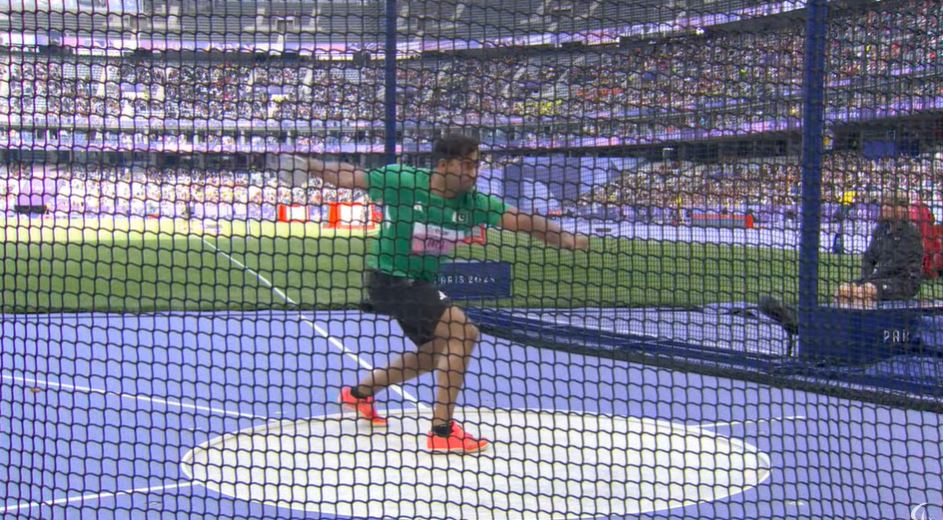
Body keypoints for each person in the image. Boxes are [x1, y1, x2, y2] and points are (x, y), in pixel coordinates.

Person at [271, 134, 589, 453]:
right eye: (466, 165)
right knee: (464, 333)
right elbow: (351, 176)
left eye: (476, 165)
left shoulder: (474, 204)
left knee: (435, 354)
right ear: (443, 165)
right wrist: (310, 166)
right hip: (390, 278)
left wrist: (568, 241)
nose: (473, 173)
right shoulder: (403, 181)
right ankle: (441, 431)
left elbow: (523, 222)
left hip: (420, 284)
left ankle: (358, 394)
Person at [760, 190, 924, 334]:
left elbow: (895, 266)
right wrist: (865, 277)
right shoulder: (881, 229)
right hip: (880, 280)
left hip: (903, 283)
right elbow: (869, 258)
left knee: (863, 292)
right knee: (843, 290)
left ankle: (863, 336)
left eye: (890, 205)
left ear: (902, 209)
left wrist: (869, 282)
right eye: (884, 204)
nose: (884, 208)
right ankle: (825, 330)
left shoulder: (910, 233)